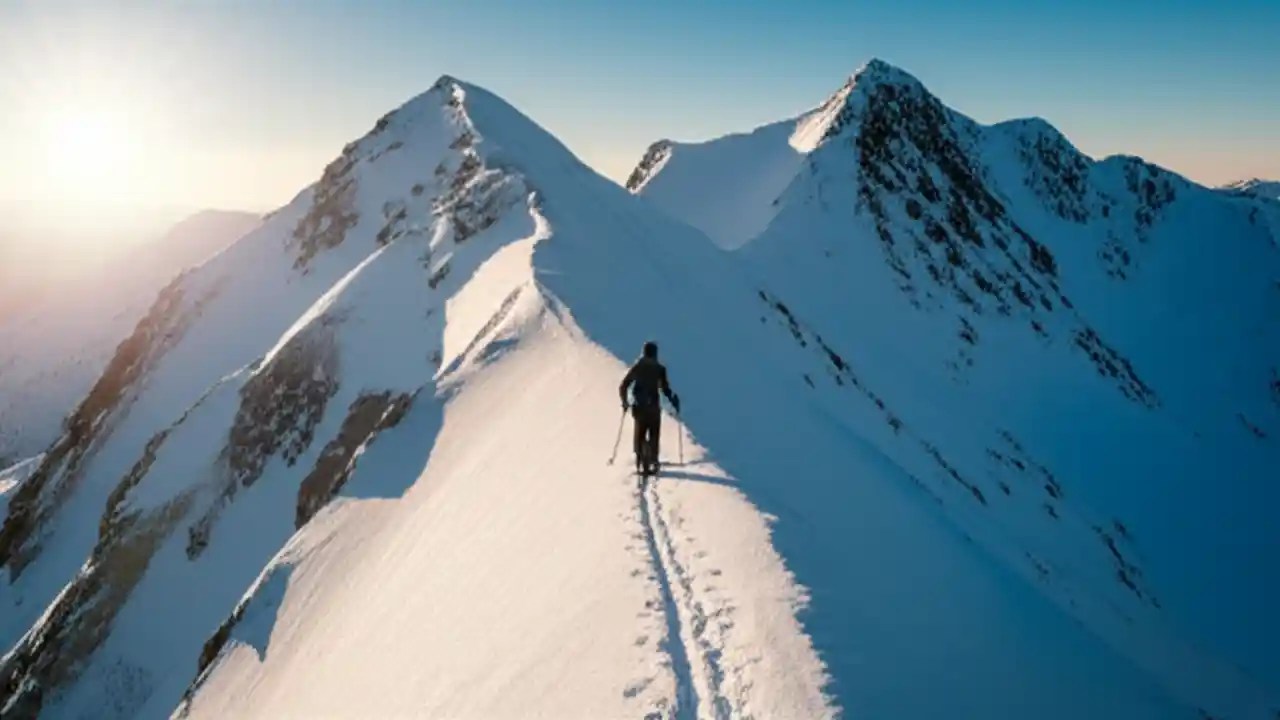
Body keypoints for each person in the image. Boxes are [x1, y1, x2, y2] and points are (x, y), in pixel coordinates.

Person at [619, 341, 680, 475]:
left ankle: (640, 459)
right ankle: (653, 459)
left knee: (639, 433)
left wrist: (624, 402)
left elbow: (624, 385)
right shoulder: (660, 369)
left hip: (639, 407)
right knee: (654, 433)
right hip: (653, 407)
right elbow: (665, 389)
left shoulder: (637, 367)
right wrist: (674, 401)